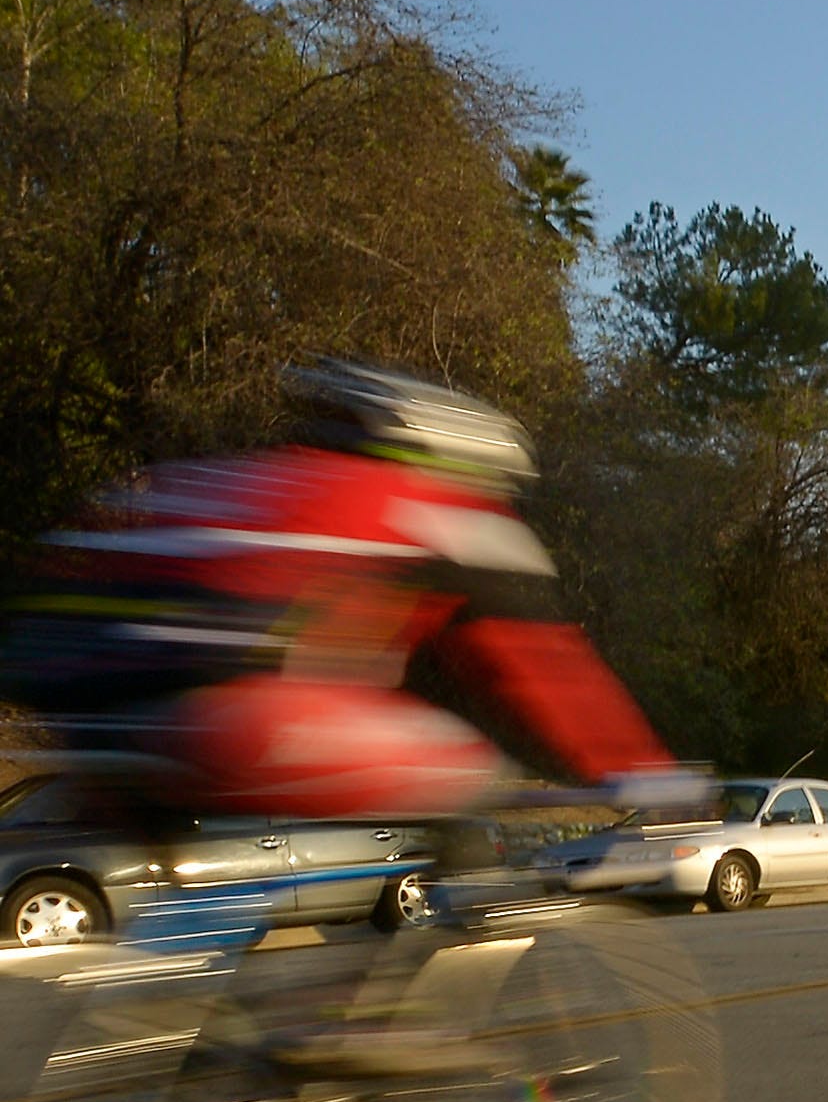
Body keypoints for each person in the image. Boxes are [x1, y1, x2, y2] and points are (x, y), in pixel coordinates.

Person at [3, 358, 680, 938]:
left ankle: (161, 1015)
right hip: (221, 714)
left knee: (192, 891)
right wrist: (639, 768)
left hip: (84, 714)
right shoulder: (428, 503)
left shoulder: (246, 482)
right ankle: (363, 1025)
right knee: (470, 777)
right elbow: (540, 666)